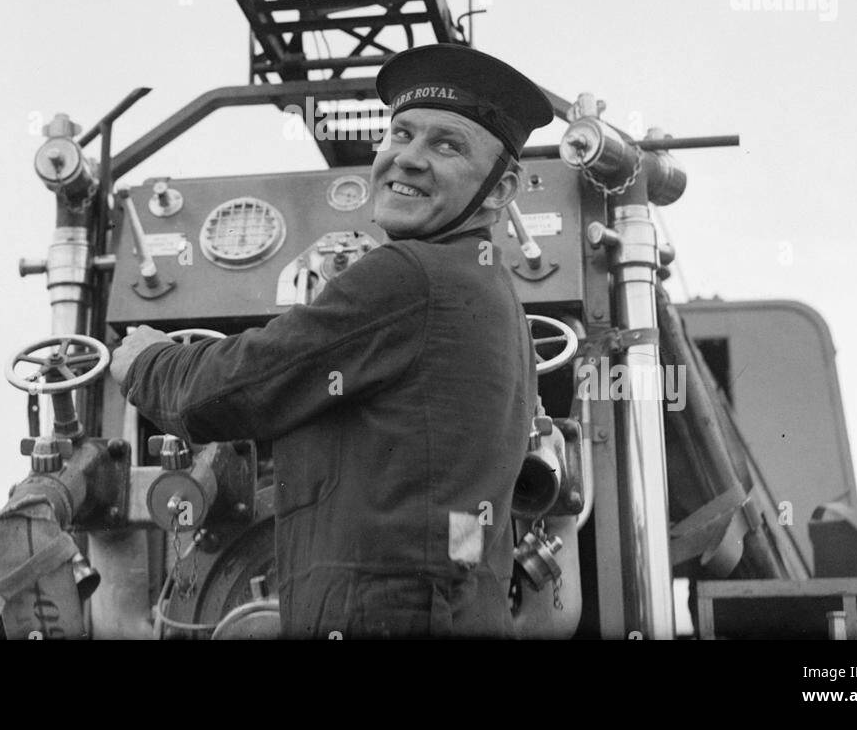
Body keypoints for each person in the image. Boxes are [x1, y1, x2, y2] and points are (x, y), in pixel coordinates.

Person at [110, 43, 554, 638]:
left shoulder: (410, 274)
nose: (409, 159)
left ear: (501, 191)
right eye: (400, 134)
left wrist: (148, 363)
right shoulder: (489, 290)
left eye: (447, 145)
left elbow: (238, 386)